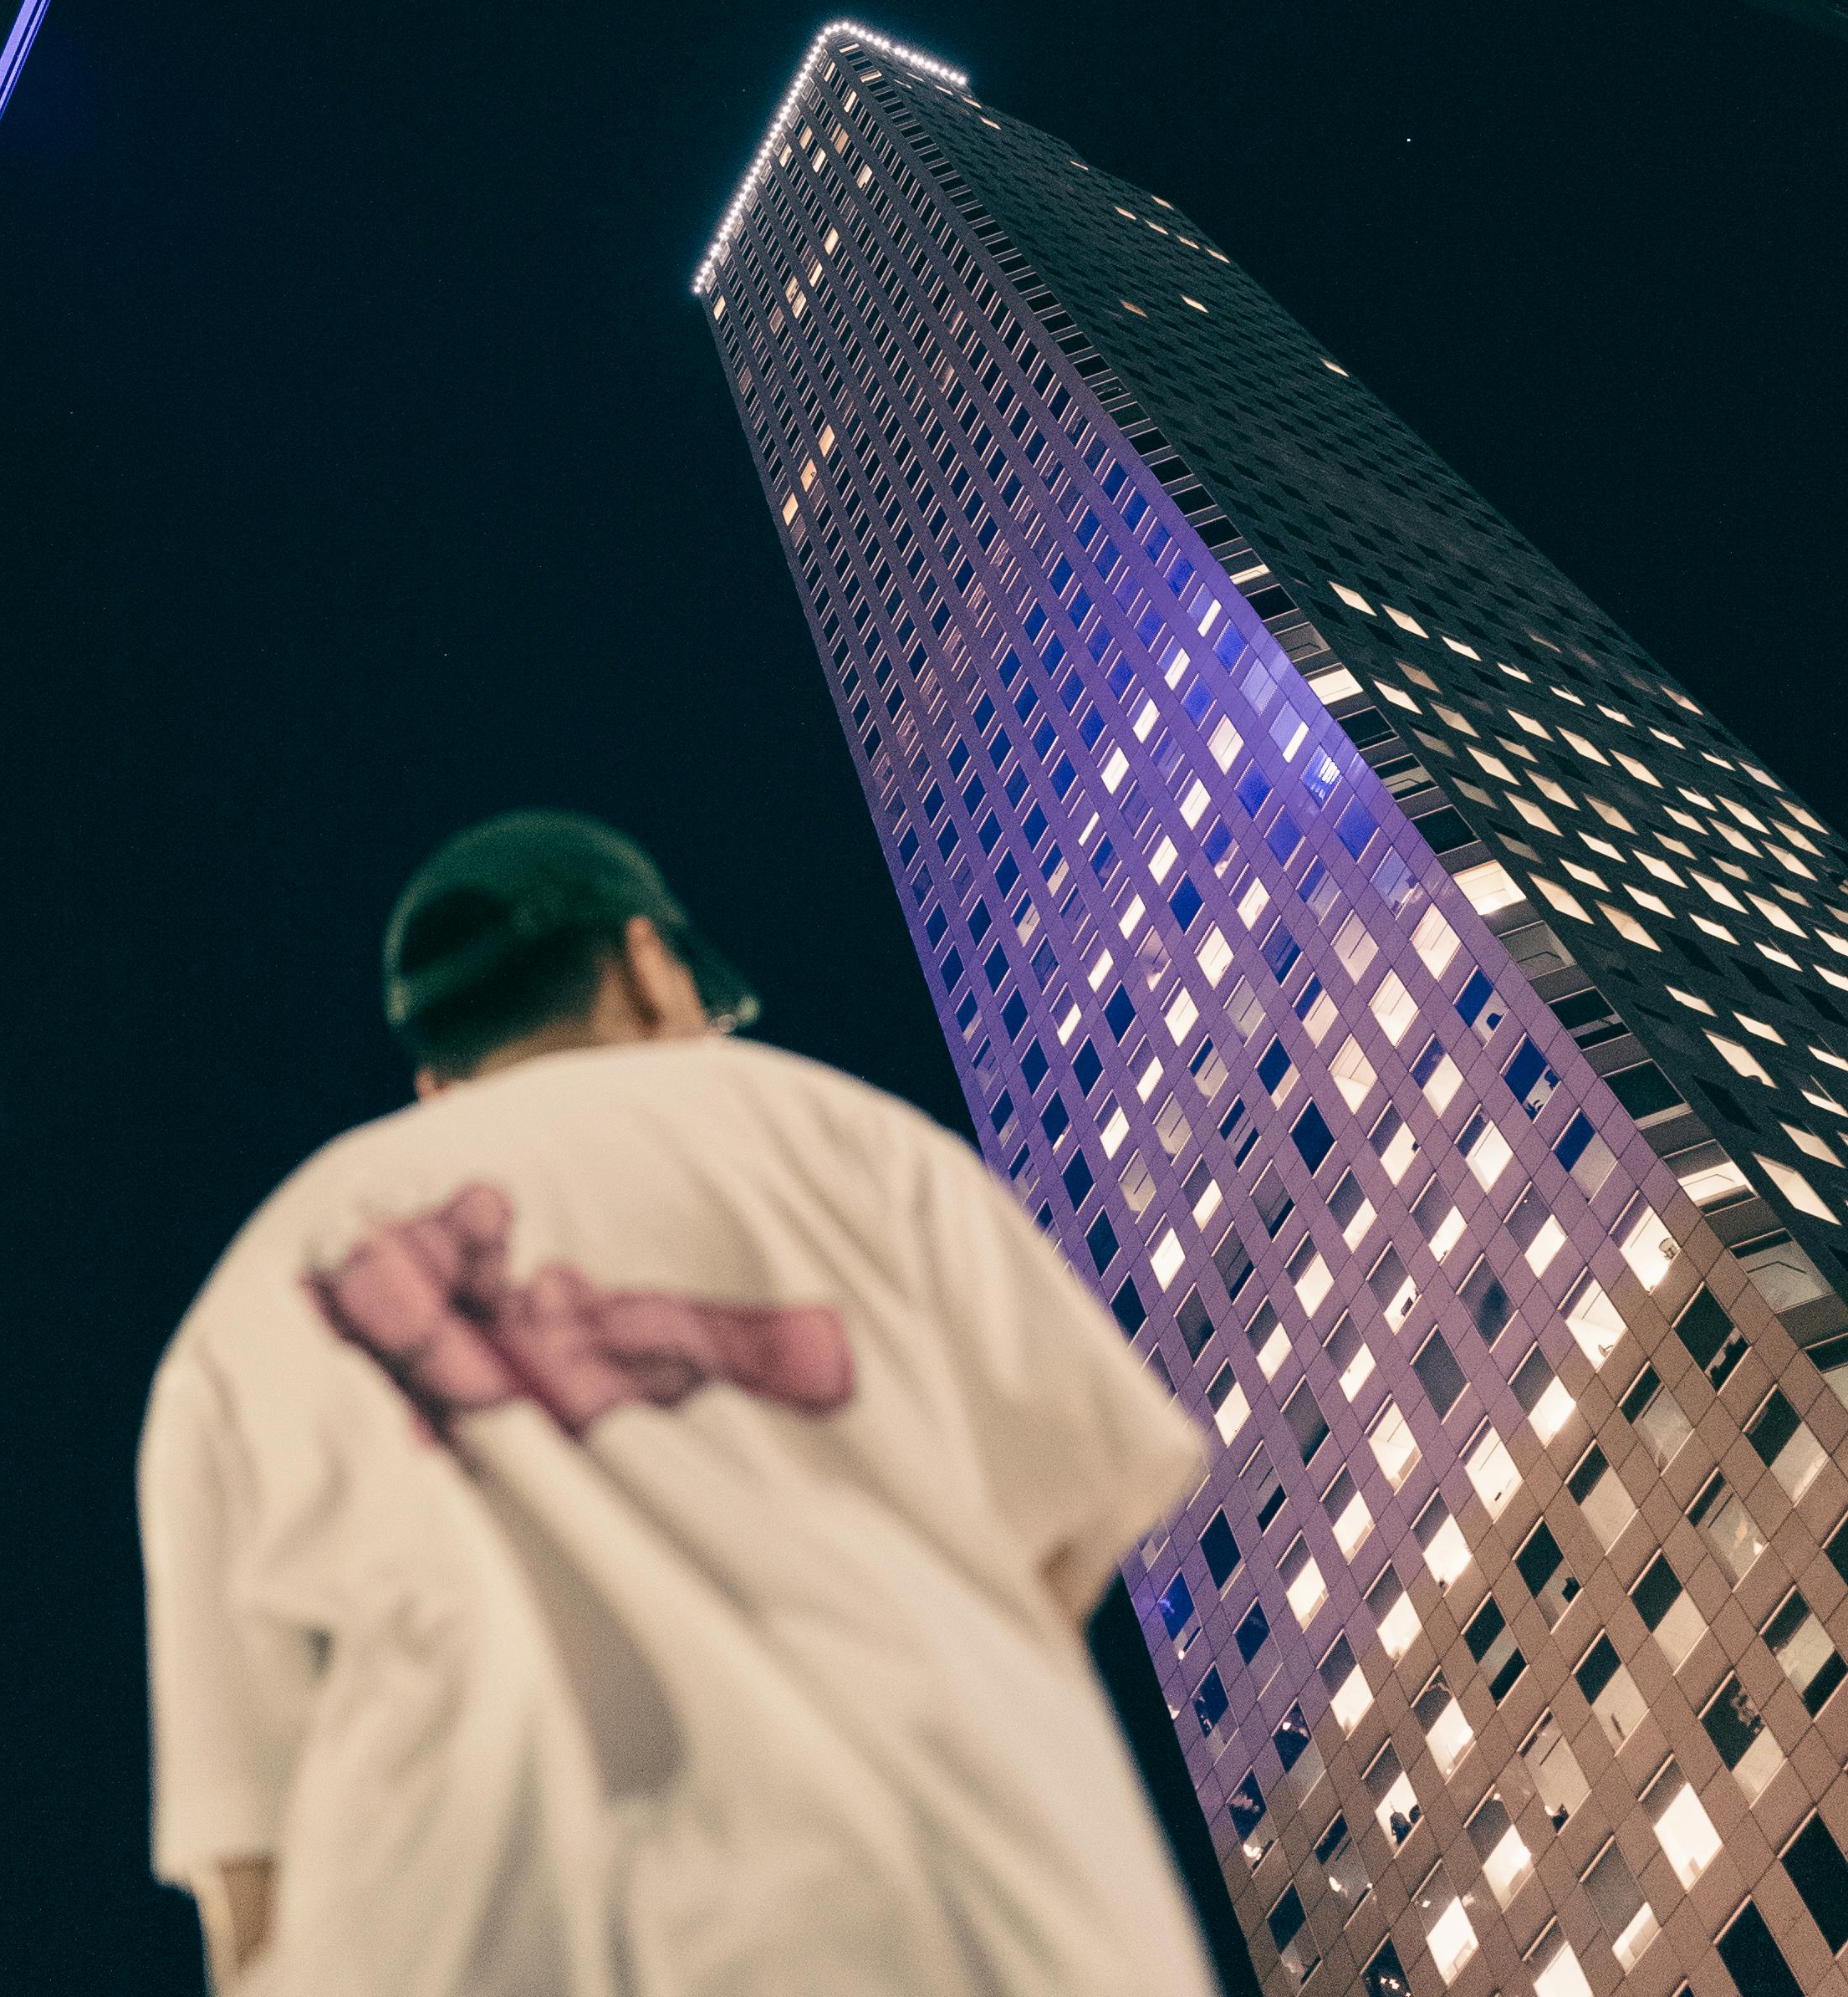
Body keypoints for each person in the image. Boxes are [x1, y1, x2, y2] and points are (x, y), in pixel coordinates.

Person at [138, 810, 1220, 1997]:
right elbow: (1055, 1545)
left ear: (435, 1080)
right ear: (649, 967)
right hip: (941, 1914)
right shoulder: (849, 1137)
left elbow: (246, 1853)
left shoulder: (253, 1292)